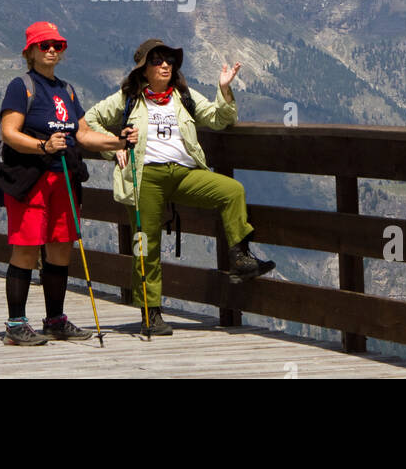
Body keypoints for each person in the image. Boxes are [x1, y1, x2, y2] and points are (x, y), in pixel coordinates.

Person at [85, 38, 274, 336]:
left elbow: (219, 119)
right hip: (145, 177)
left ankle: (240, 256)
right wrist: (113, 146)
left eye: (169, 61)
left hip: (184, 174)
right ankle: (151, 313)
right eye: (157, 61)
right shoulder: (129, 98)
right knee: (146, 244)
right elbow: (90, 120)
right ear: (143, 70)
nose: (165, 66)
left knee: (231, 191)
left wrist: (224, 88)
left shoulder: (183, 95)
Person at [0, 21, 138, 346]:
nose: (51, 50)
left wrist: (117, 142)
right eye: (44, 45)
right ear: (29, 51)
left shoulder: (66, 89)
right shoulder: (22, 86)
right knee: (27, 249)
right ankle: (15, 326)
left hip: (65, 180)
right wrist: (42, 147)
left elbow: (82, 134)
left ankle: (55, 320)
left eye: (56, 46)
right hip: (31, 181)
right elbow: (9, 131)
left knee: (60, 248)